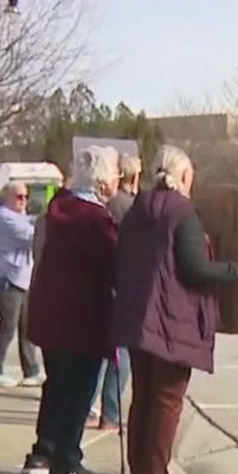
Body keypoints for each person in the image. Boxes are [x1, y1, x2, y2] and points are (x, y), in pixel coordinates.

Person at [112, 146, 238, 474]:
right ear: (183, 177)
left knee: (143, 400)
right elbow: (195, 269)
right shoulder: (183, 213)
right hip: (171, 320)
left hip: (137, 319)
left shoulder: (137, 211)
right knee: (166, 402)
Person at [22, 146, 121, 474]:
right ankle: (67, 459)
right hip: (83, 316)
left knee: (58, 384)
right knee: (79, 390)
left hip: (50, 310)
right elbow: (113, 267)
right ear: (104, 179)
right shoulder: (94, 219)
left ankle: (44, 452)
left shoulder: (57, 209)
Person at [90, 153, 143, 432]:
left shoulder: (106, 207)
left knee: (99, 352)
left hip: (100, 284)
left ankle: (88, 406)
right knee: (120, 355)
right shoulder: (131, 208)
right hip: (122, 286)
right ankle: (110, 412)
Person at [0, 181, 43, 388]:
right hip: (7, 279)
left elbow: (32, 222)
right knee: (8, 325)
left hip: (20, 279)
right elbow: (32, 237)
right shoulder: (6, 218)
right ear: (7, 197)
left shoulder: (18, 216)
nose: (23, 201)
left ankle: (32, 370)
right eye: (19, 197)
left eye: (26, 196)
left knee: (26, 326)